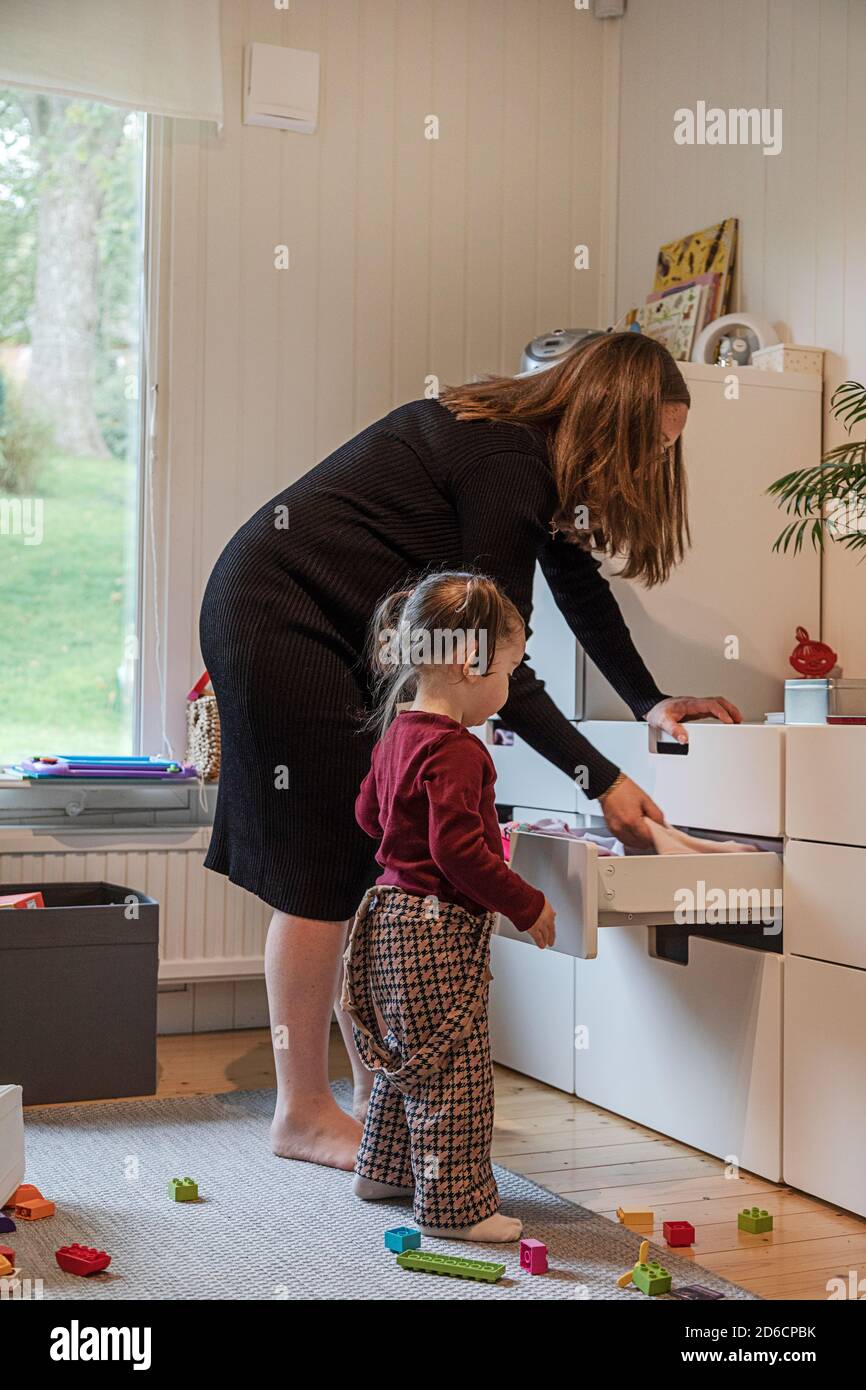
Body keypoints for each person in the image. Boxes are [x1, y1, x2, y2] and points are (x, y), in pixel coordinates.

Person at [199, 331, 741, 1171]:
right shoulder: (505, 462)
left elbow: (577, 588)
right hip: (283, 613)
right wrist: (602, 780)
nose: (653, 467)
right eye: (651, 447)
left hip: (343, 625)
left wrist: (648, 701)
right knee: (320, 868)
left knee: (369, 859)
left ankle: (377, 1096)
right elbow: (488, 658)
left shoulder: (532, 461)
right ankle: (300, 1112)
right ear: (611, 424)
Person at [342, 571, 555, 1243]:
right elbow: (458, 850)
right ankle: (456, 1209)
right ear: (471, 664)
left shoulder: (398, 734)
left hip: (386, 915)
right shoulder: (457, 749)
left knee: (408, 1054)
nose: (508, 689)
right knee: (456, 1073)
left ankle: (385, 1170)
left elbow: (368, 815)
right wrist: (526, 903)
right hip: (436, 928)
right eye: (509, 673)